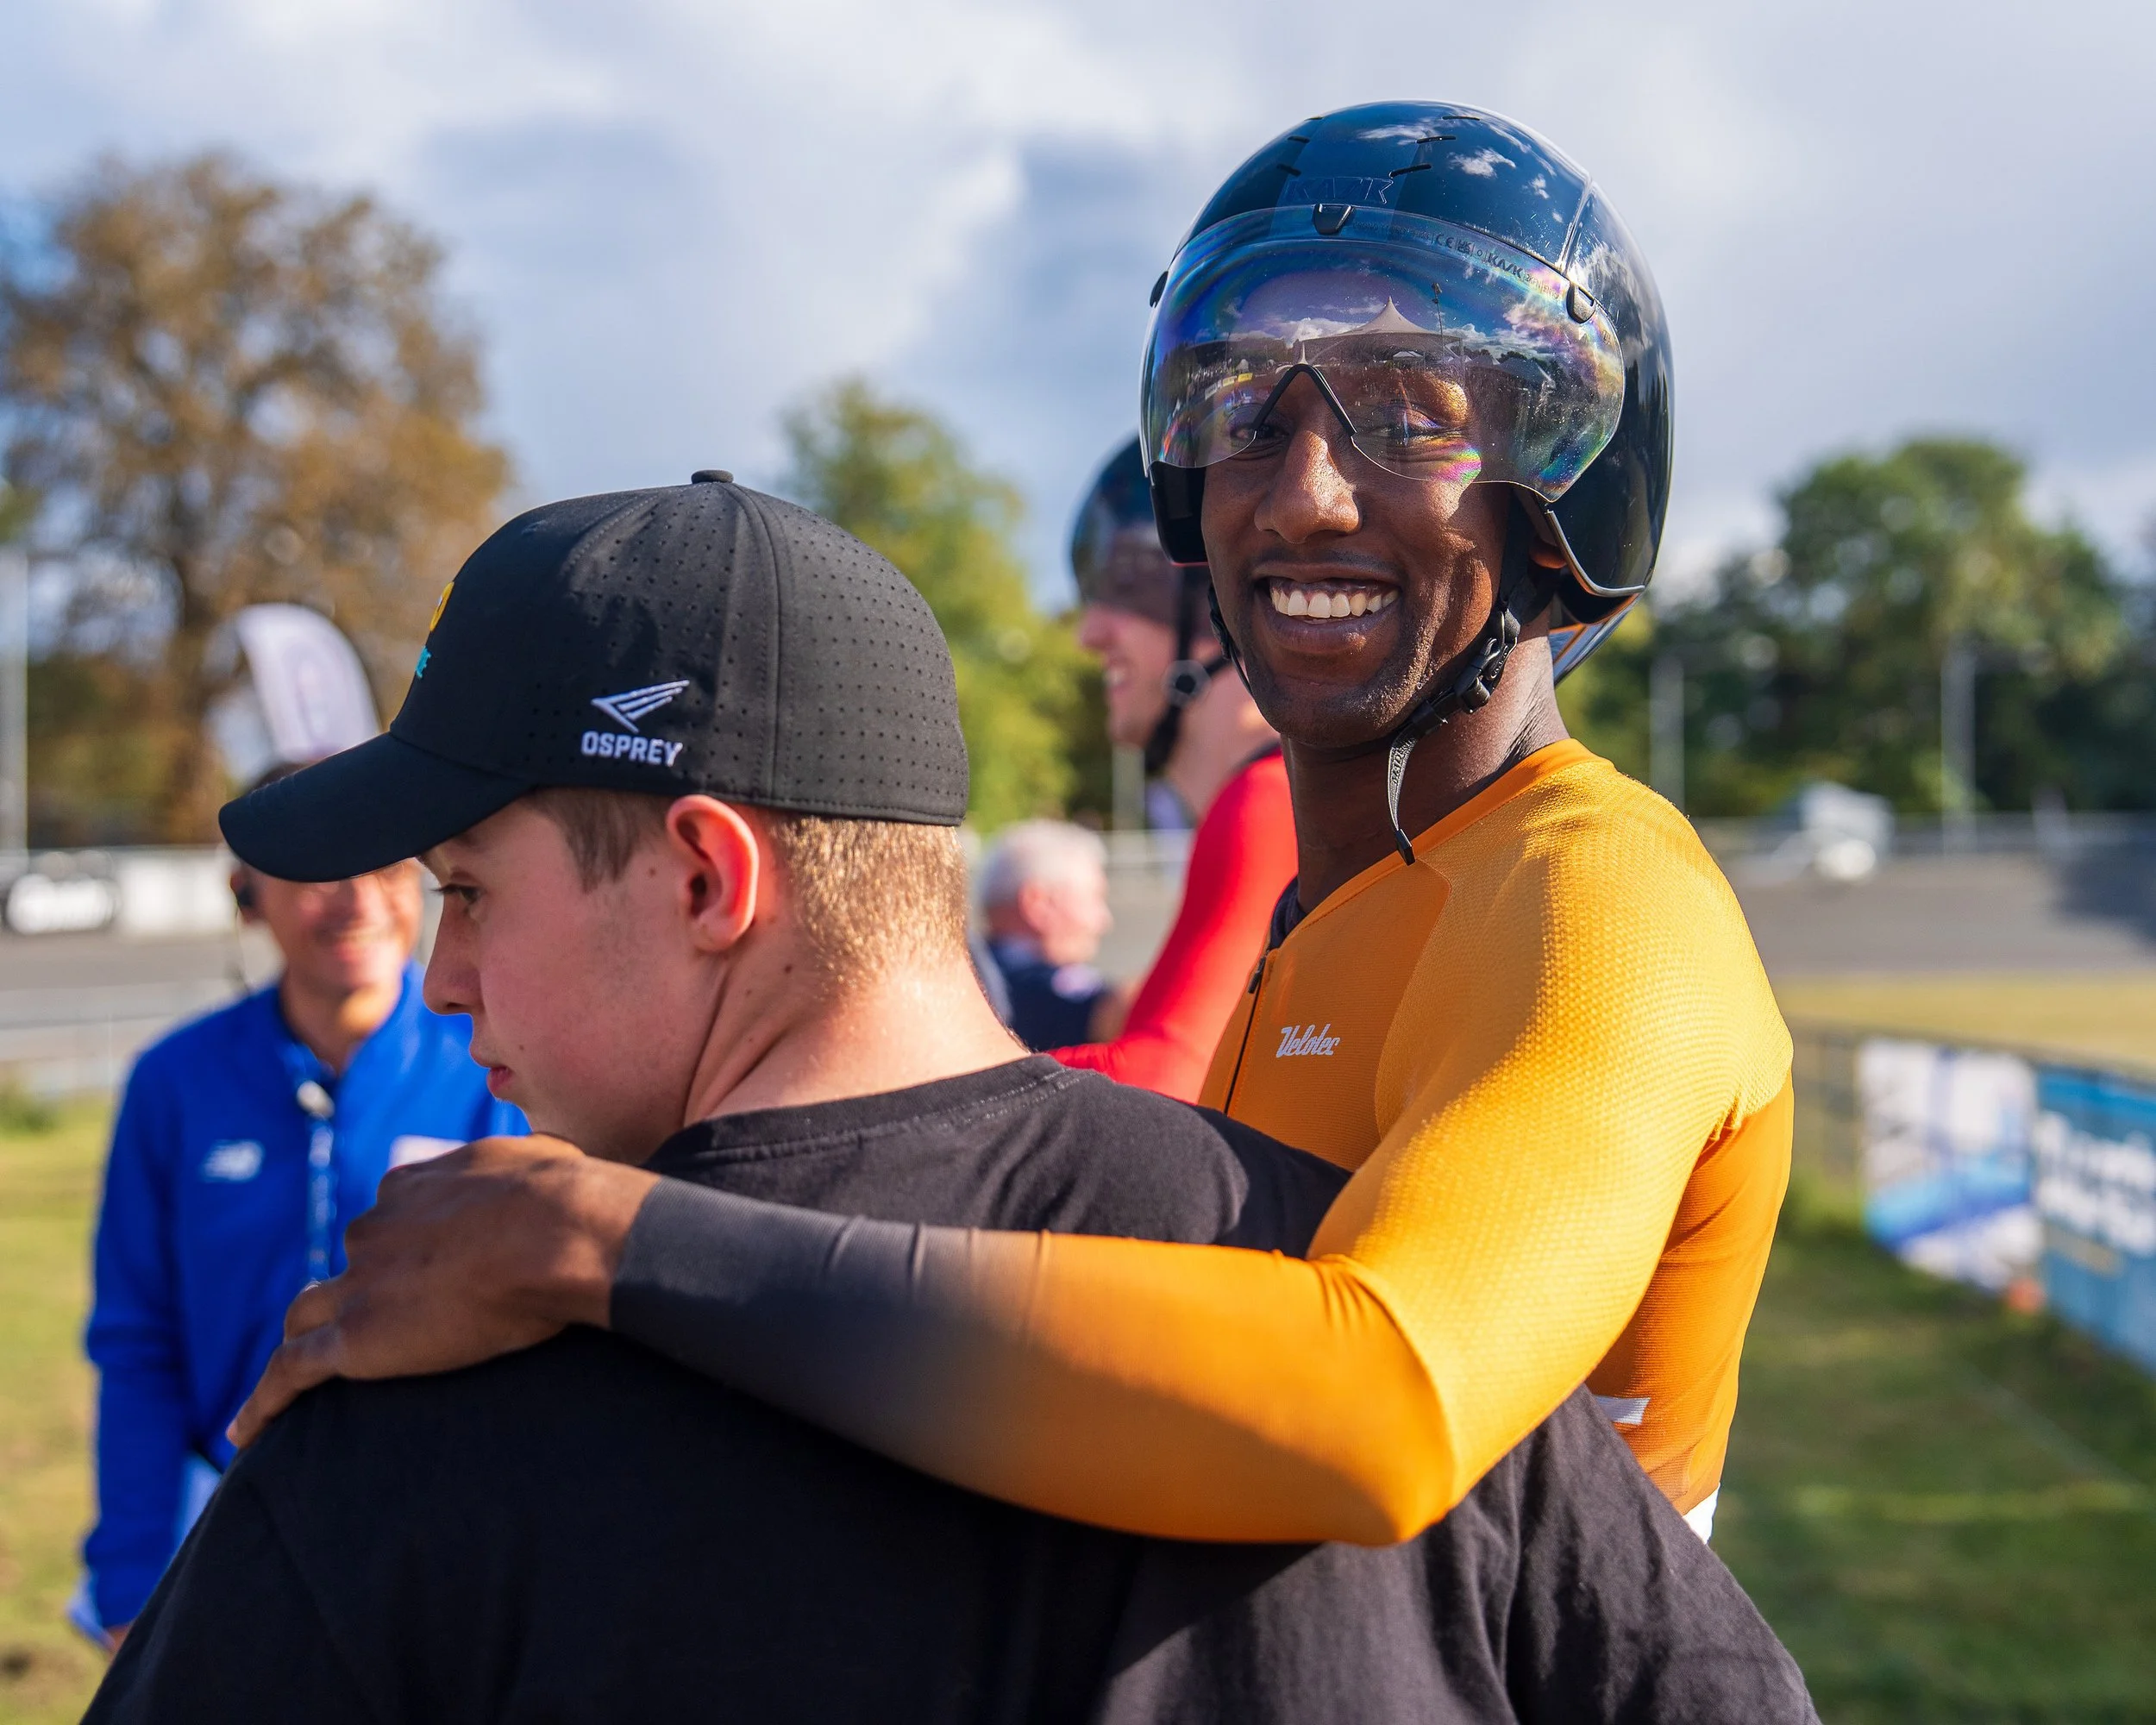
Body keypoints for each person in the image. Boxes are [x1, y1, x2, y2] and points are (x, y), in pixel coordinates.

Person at [231, 102, 1789, 1556]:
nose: (1304, 492)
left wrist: (606, 1249)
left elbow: (1380, 1413)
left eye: (1412, 415)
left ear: (1570, 490)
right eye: (1241, 408)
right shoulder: (1349, 898)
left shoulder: (1601, 893)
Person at [92, 474, 1814, 1722]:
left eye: (466, 890)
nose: (441, 975)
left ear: (706, 876)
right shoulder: (1334, 1251)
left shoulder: (430, 1356)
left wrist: (601, 1253)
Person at [80, 819, 523, 1644]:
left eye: (391, 870)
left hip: (452, 1540)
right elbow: (136, 1342)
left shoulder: (500, 1064)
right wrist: (132, 1575)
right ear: (248, 897)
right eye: (320, 871)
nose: (358, 902)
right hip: (235, 1536)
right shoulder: (175, 1081)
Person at [1053, 437, 1297, 1100]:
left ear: (1212, 600)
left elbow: (1166, 1083)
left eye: (1123, 589)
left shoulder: (1270, 800)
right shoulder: (1277, 794)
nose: (1090, 633)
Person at [977, 819, 1120, 1050]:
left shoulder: (966, 967)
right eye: (1095, 898)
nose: (1104, 921)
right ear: (1038, 904)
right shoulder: (1016, 984)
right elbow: (1111, 1011)